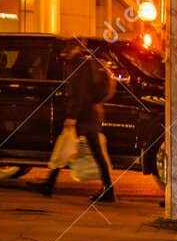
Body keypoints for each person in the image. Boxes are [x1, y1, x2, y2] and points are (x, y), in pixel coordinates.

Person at [32, 42, 116, 202]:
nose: (62, 53)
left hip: (82, 115)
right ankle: (108, 189)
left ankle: (49, 184)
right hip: (90, 113)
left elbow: (77, 93)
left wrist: (72, 116)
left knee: (66, 147)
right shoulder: (87, 61)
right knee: (90, 151)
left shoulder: (77, 64)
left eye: (65, 48)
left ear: (71, 48)